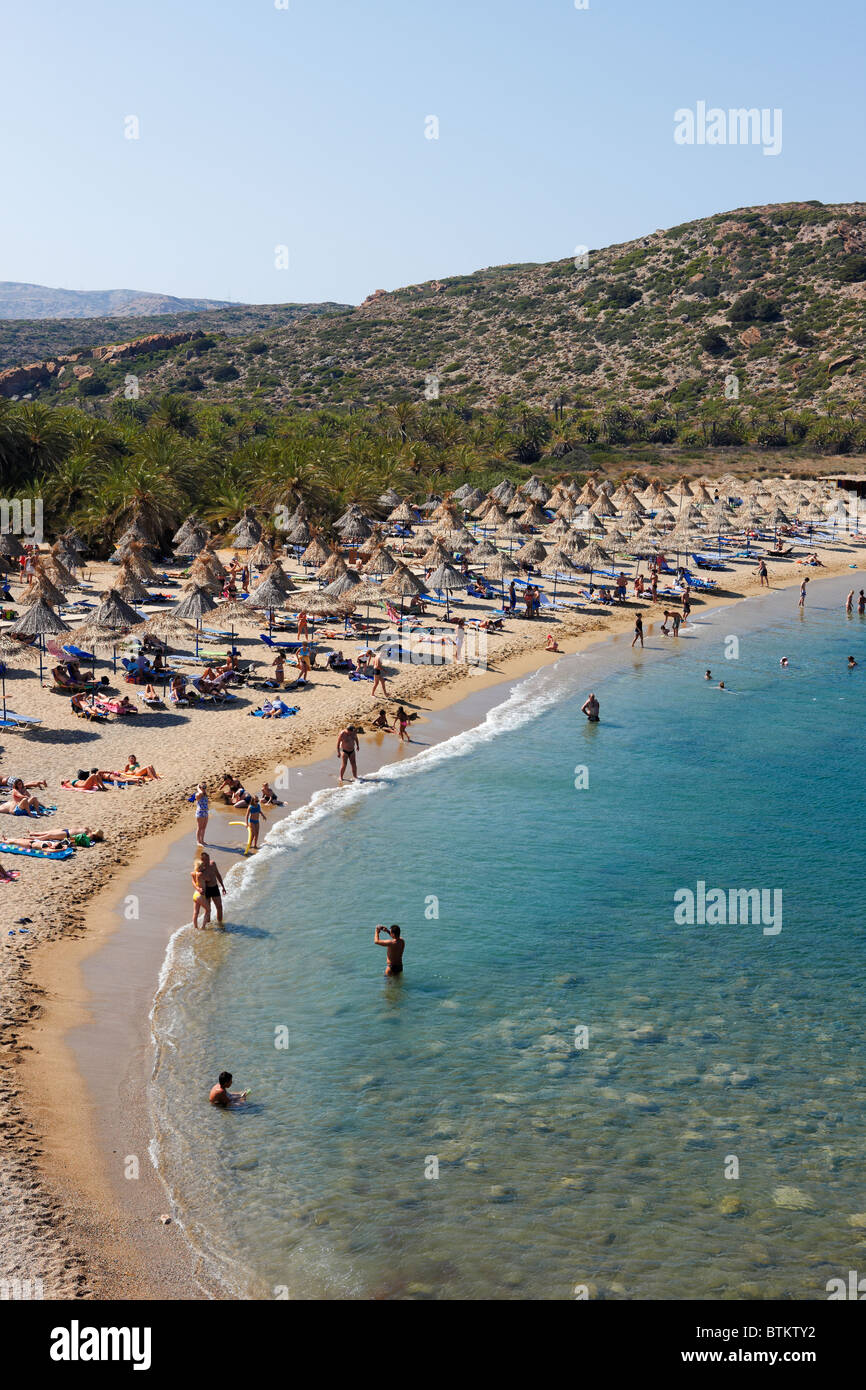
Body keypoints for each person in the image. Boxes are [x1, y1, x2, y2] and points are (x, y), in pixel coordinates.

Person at [199, 851, 225, 926]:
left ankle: (220, 924)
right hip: (206, 890)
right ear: (202, 860)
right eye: (205, 860)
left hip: (214, 888)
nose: (207, 861)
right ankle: (208, 925)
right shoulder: (200, 869)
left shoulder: (213, 864)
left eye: (208, 859)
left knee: (219, 907)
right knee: (208, 910)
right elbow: (194, 878)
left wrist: (223, 886)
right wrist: (198, 889)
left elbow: (218, 875)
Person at [191, 858, 207, 929]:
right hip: (201, 895)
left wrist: (197, 888)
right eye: (202, 866)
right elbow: (209, 879)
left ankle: (195, 927)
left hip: (195, 894)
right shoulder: (201, 874)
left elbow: (193, 882)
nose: (203, 867)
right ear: (199, 867)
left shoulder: (193, 873)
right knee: (208, 910)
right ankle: (203, 927)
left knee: (196, 912)